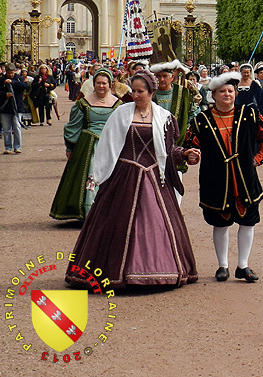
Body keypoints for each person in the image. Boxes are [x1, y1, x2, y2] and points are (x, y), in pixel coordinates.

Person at [65, 70, 200, 289]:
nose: (136, 95)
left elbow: (168, 150)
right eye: (134, 91)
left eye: (140, 92)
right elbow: (108, 147)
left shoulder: (164, 117)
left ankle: (159, 270)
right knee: (117, 224)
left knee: (158, 223)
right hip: (125, 176)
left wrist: (185, 154)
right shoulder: (121, 114)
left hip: (156, 177)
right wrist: (99, 176)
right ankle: (117, 272)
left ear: (151, 92)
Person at [185, 71, 263, 282]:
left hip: (245, 178)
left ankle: (243, 265)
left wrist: (258, 158)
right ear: (213, 95)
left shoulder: (249, 114)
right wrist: (191, 156)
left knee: (248, 221)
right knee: (221, 222)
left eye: (230, 91)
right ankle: (222, 266)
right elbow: (190, 145)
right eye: (222, 91)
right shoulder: (202, 120)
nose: (227, 94)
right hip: (216, 179)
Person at [49, 68, 122, 221]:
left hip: (110, 145)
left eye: (104, 83)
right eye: (98, 83)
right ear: (93, 84)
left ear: (110, 84)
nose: (101, 86)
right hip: (88, 145)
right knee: (89, 176)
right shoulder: (83, 103)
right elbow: (73, 127)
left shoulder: (118, 104)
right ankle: (88, 212)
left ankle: (109, 213)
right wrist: (70, 148)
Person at [150, 59, 199, 146]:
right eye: (158, 76)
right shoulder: (150, 94)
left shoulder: (184, 93)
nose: (161, 79)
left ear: (172, 77)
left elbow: (194, 112)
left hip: (179, 142)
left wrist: (186, 129)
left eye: (165, 76)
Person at [0, 63, 26, 154]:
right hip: (5, 107)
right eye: (8, 73)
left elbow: (24, 86)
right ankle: (8, 147)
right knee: (6, 129)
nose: (10, 75)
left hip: (17, 107)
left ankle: (17, 146)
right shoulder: (1, 80)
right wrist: (5, 94)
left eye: (12, 73)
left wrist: (13, 82)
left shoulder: (19, 78)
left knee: (17, 127)